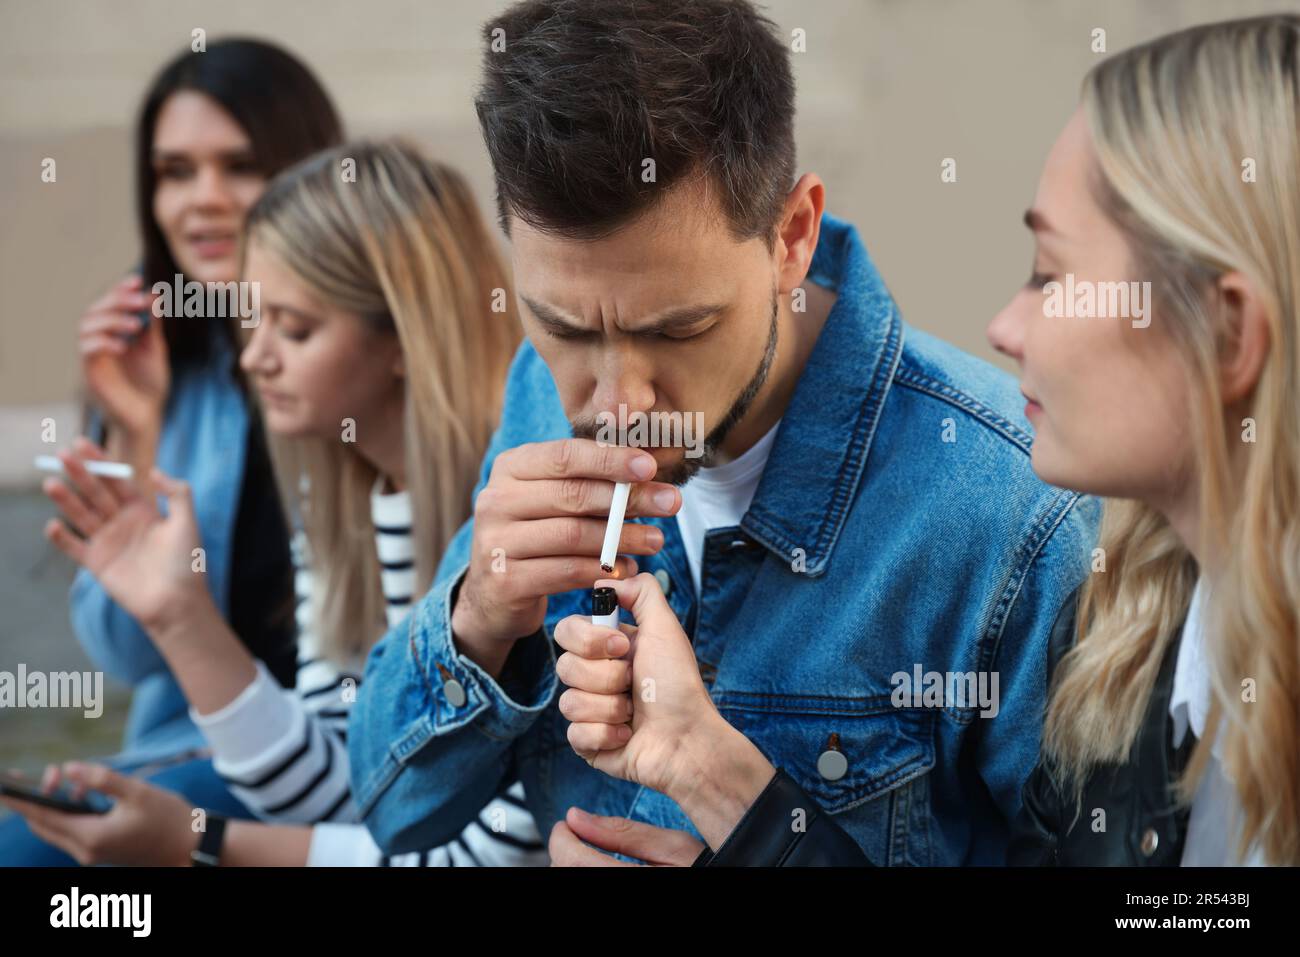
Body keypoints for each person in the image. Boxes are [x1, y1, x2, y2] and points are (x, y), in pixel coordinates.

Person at [347, 0, 1100, 867]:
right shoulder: (538, 393)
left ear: (792, 235)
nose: (618, 400)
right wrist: (478, 616)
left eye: (677, 330)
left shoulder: (1017, 510)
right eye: (563, 326)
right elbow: (390, 810)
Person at [563, 13, 1300, 868]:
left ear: (1226, 331)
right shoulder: (1150, 637)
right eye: (561, 327)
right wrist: (703, 768)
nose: (1004, 326)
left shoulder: (1041, 541)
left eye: (1050, 276)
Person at [1, 142, 546, 866]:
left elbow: (479, 860)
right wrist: (179, 615)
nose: (255, 360)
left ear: (403, 337)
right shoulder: (342, 491)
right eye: (250, 323)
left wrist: (200, 842)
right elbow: (357, 789)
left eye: (294, 330)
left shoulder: (523, 511)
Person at [0, 37, 344, 865]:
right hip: (197, 742)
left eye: (239, 166)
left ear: (305, 173)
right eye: (175, 172)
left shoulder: (370, 361)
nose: (204, 200)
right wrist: (134, 426)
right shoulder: (160, 363)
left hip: (338, 759)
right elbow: (128, 653)